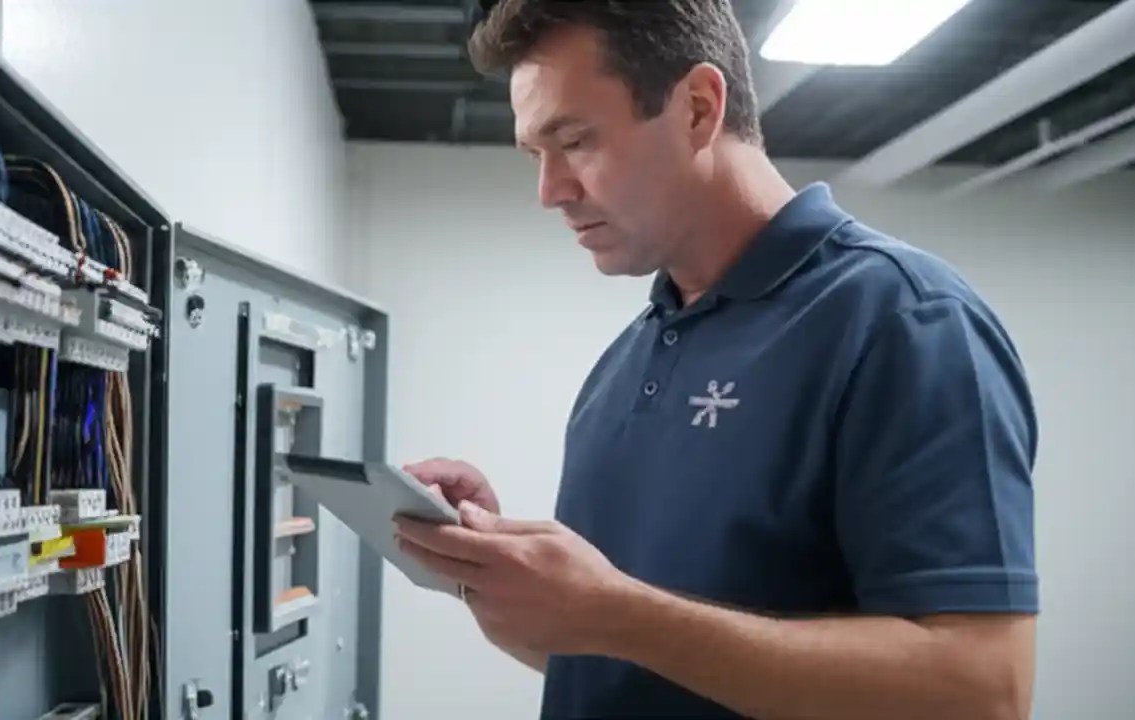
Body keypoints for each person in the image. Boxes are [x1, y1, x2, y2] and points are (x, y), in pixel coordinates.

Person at [393, 2, 1039, 718]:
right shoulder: (624, 364)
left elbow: (983, 692)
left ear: (698, 108)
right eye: (535, 156)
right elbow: (626, 665)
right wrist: (510, 584)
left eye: (574, 141)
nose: (550, 192)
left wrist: (615, 613)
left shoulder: (904, 321)